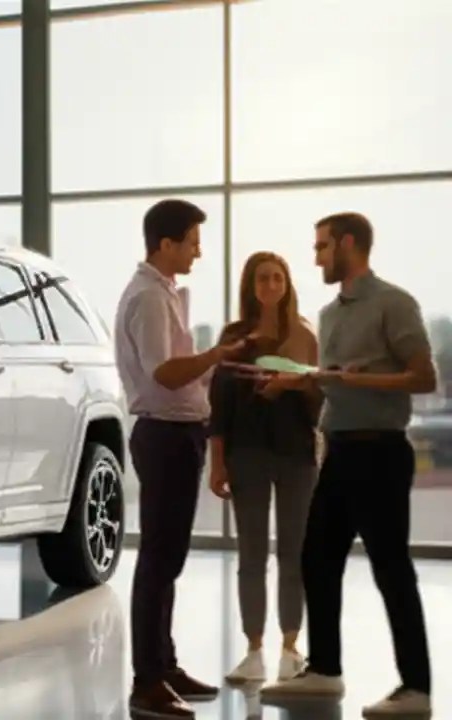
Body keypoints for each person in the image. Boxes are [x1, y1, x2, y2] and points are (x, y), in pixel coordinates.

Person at [258, 213, 434, 717]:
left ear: (349, 245)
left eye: (322, 247)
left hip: (380, 452)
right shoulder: (330, 313)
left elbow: (423, 378)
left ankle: (416, 687)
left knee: (390, 569)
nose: (315, 257)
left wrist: (358, 381)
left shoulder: (394, 303)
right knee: (316, 559)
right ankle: (325, 671)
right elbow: (334, 379)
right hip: (337, 452)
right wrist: (304, 381)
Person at [115, 199, 251, 719]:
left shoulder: (164, 293)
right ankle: (147, 682)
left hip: (179, 435)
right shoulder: (149, 298)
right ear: (166, 244)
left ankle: (163, 667)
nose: (199, 250)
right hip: (165, 437)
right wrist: (217, 354)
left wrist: (220, 365)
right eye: (193, 241)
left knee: (167, 560)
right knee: (157, 561)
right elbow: (164, 374)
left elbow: (180, 374)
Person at [207, 252, 321, 684]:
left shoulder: (305, 334)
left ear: (287, 284)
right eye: (262, 279)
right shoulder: (235, 336)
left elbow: (320, 399)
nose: (271, 286)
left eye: (278, 278)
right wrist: (217, 463)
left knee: (294, 554)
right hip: (247, 454)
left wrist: (294, 384)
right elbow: (219, 408)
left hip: (297, 457)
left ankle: (291, 649)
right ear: (250, 286)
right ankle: (253, 650)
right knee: (251, 555)